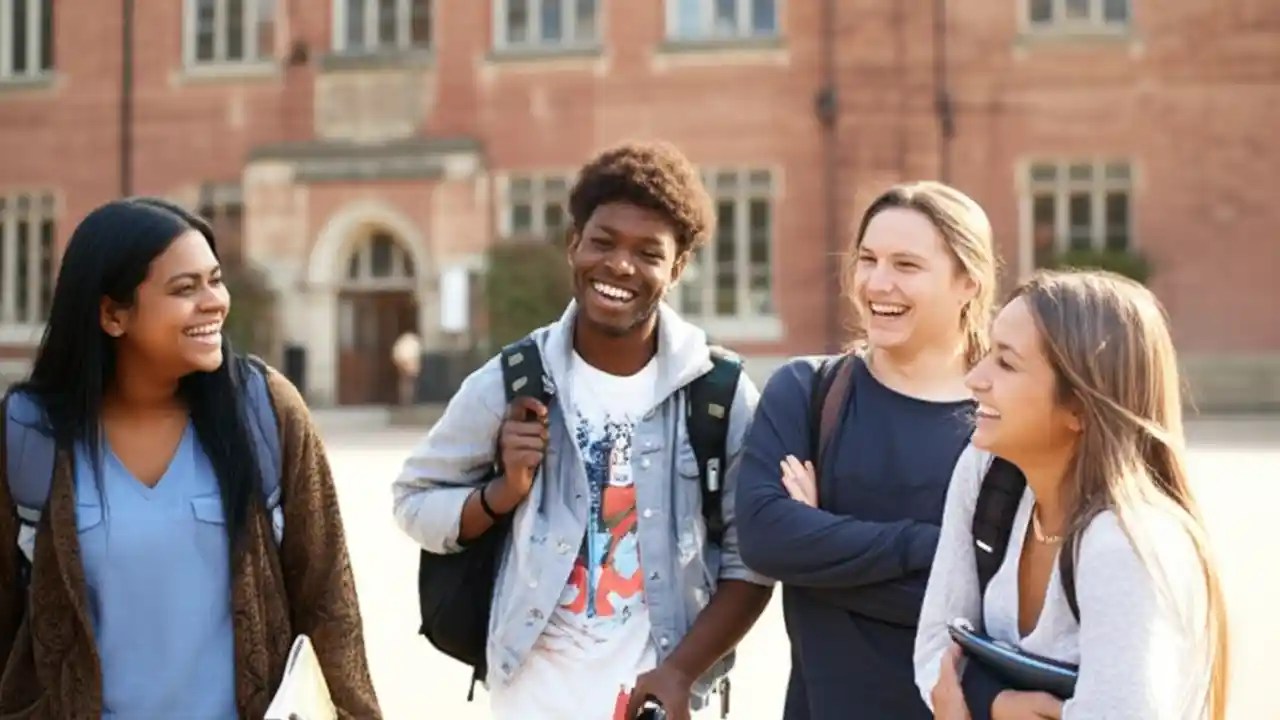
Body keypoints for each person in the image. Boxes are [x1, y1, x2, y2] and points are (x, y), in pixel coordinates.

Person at [392, 141, 773, 720]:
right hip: (530, 695)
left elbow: (752, 559)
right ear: (574, 245)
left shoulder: (718, 393)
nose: (619, 265)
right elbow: (413, 499)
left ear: (677, 268)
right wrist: (502, 495)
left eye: (647, 252)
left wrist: (680, 672)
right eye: (602, 241)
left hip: (658, 697)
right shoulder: (512, 380)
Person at [0, 198, 380, 718]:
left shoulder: (265, 413)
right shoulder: (27, 436)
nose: (214, 303)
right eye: (184, 288)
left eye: (215, 280)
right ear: (113, 314)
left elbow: (330, 607)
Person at [733, 181, 999, 719]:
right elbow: (764, 539)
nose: (878, 283)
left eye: (906, 265)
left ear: (968, 281)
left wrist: (820, 551)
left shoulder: (1003, 420)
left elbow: (1000, 605)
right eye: (868, 260)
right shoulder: (808, 392)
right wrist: (933, 547)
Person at [915, 270, 1229, 720]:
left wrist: (969, 701)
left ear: (1080, 406)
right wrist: (995, 704)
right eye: (987, 353)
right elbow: (932, 653)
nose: (974, 378)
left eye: (1006, 362)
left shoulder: (1122, 545)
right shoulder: (986, 473)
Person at [392, 329, 423, 406]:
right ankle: (408, 400)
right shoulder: (413, 341)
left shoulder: (404, 341)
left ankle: (408, 400)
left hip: (406, 364)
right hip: (408, 363)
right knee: (408, 384)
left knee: (408, 384)